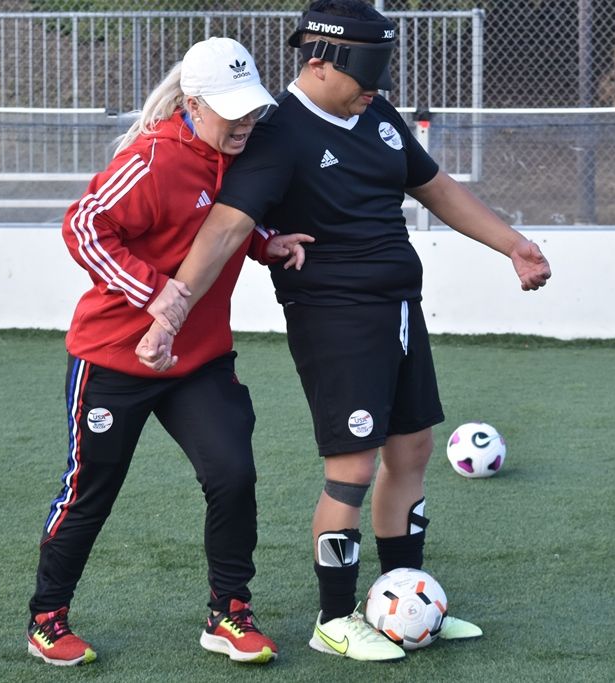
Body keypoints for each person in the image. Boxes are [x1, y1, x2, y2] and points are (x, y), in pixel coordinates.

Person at [138, 0, 552, 663]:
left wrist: (512, 245)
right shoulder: (279, 131)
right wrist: (172, 307)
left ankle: (404, 597)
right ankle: (333, 619)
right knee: (353, 466)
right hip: (336, 320)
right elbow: (226, 226)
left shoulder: (377, 115)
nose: (376, 87)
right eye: (367, 73)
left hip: (399, 309)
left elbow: (436, 187)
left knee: (412, 450)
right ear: (321, 62)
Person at [25, 36, 313, 667]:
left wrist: (264, 243)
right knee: (91, 490)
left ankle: (228, 613)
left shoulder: (244, 153)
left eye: (251, 106)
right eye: (230, 109)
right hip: (113, 359)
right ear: (193, 104)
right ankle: (47, 618)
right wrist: (155, 292)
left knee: (233, 475)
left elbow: (222, 223)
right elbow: (82, 226)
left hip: (199, 361)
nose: (245, 121)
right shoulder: (153, 159)